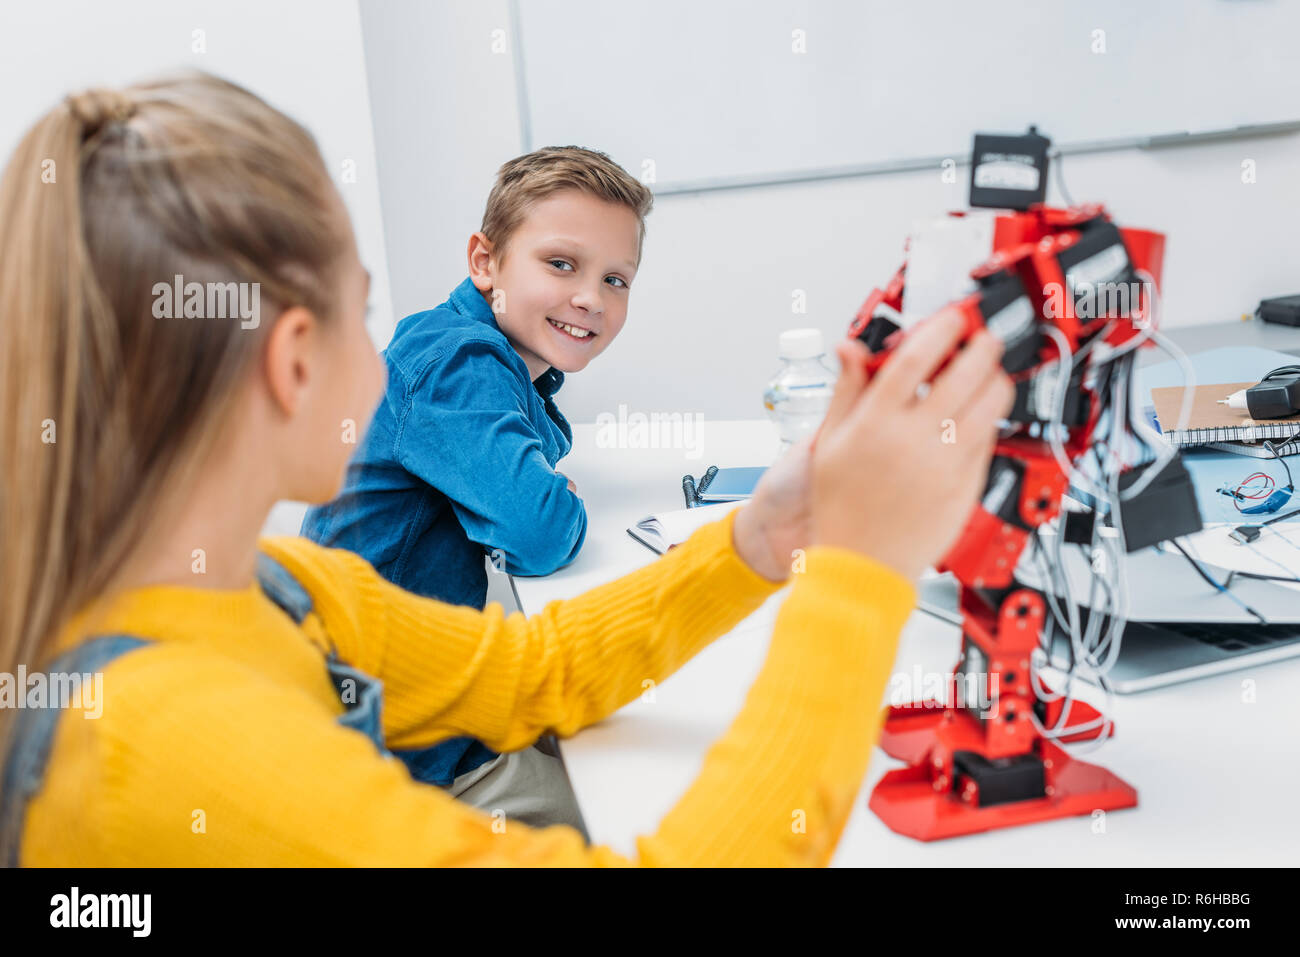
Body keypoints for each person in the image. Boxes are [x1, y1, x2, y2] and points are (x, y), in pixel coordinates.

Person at [0, 72, 1013, 866]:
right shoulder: (168, 745)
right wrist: (862, 579)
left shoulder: (277, 591)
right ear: (295, 360)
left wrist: (764, 541)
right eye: (362, 308)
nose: (387, 347)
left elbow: (531, 672)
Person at [299, 148, 654, 826]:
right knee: (626, 809)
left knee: (595, 728)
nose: (591, 297)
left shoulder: (465, 344)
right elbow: (538, 531)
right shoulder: (460, 359)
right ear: (485, 262)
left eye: (617, 279)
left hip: (398, 703)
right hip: (401, 759)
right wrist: (556, 498)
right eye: (561, 264)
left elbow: (521, 475)